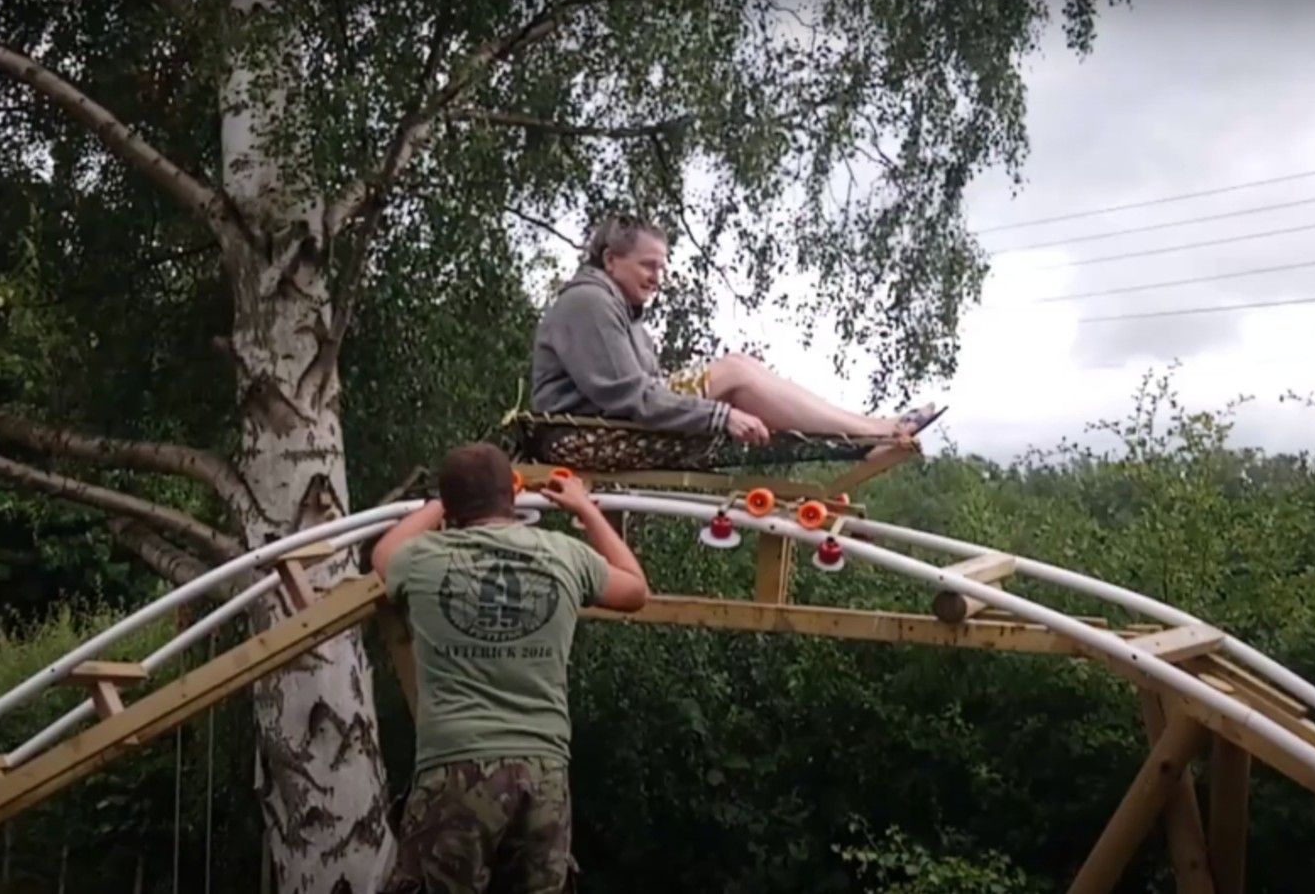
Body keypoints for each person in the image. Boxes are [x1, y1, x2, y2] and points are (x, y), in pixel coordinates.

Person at [372, 442, 648, 894]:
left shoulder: (423, 559)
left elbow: (382, 554)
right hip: (543, 771)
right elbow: (636, 589)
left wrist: (439, 503)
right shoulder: (565, 555)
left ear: (452, 506)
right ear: (513, 497)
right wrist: (585, 508)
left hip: (454, 767)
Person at [530, 214, 942, 446]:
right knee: (736, 374)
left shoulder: (622, 310)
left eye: (662, 267)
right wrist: (719, 415)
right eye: (648, 265)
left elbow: (641, 389)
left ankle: (868, 426)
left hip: (609, 422)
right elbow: (630, 395)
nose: (658, 277)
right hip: (580, 434)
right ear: (610, 260)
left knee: (739, 365)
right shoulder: (590, 302)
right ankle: (872, 430)